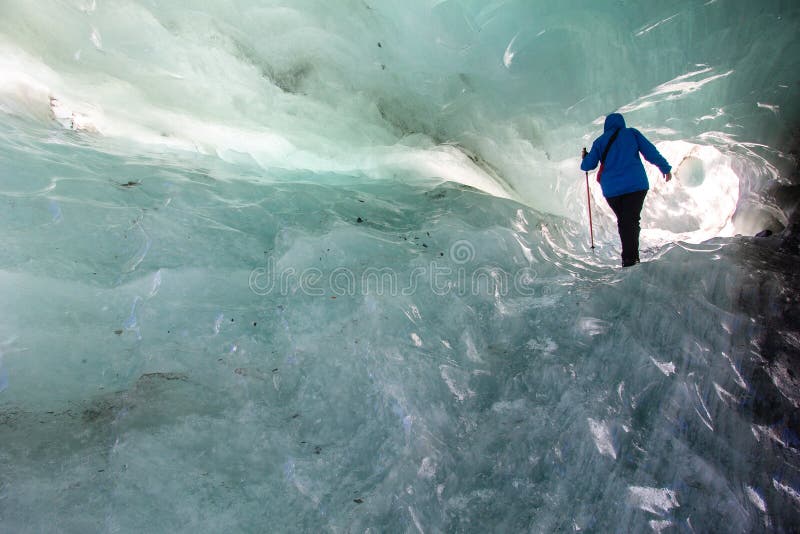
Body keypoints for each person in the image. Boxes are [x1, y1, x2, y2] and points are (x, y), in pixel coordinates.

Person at [581, 112, 672, 267]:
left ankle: (629, 258)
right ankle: (630, 258)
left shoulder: (600, 142)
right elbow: (650, 152)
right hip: (636, 186)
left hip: (613, 191)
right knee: (629, 220)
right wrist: (664, 167)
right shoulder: (632, 134)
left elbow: (587, 166)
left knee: (626, 221)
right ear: (622, 123)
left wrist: (585, 157)